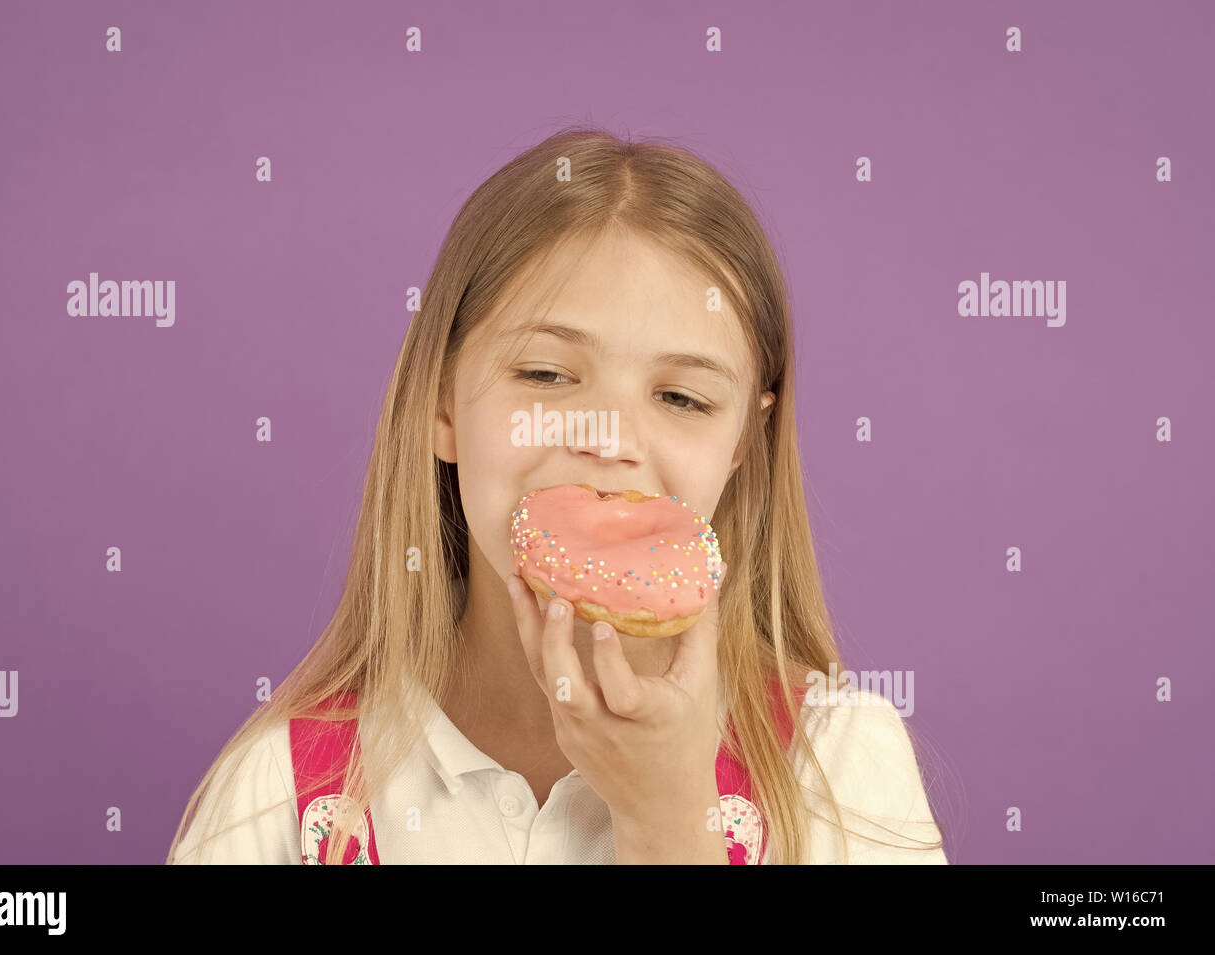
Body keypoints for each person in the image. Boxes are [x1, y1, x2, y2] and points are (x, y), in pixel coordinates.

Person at [166, 125, 948, 865]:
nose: (610, 436)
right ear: (442, 404)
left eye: (681, 398)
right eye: (545, 375)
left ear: (743, 442)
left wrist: (668, 817)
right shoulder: (282, 790)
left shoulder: (839, 764)